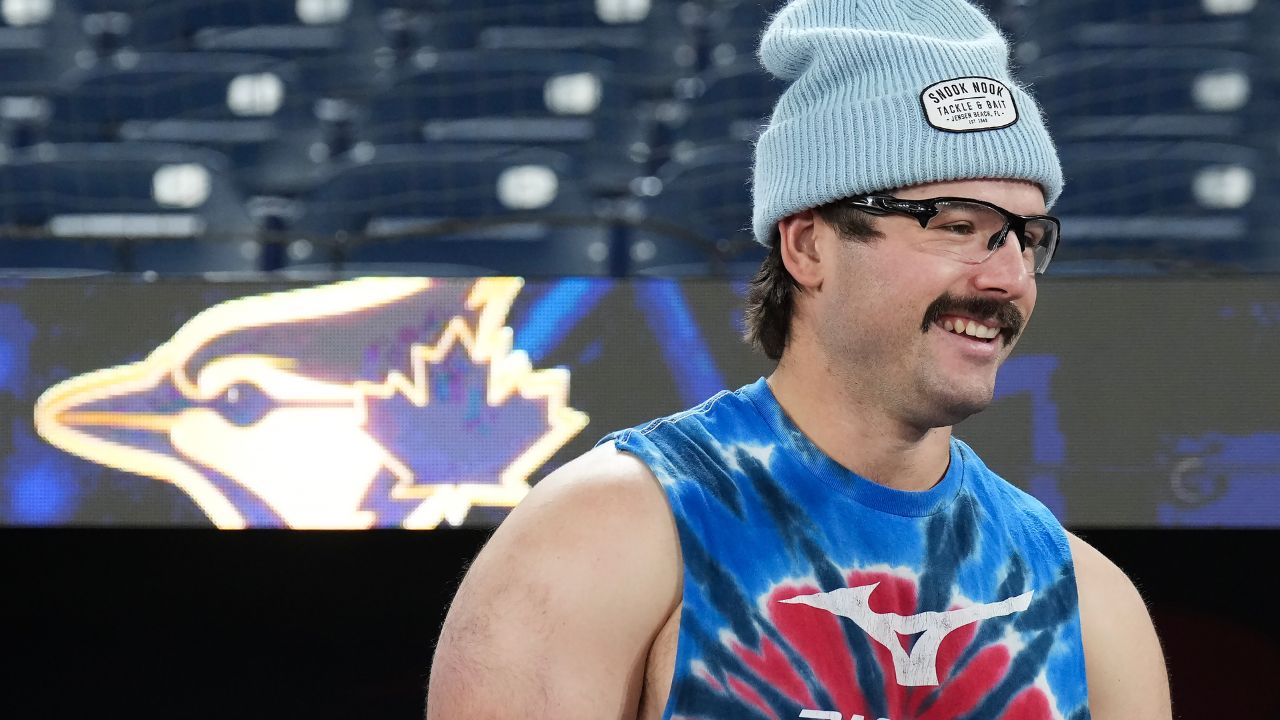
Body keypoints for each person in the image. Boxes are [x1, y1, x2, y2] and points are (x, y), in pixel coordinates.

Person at [427, 0, 1172, 718]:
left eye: (1026, 237)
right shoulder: (603, 536)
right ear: (809, 246)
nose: (1007, 277)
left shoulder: (1083, 597)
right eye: (955, 226)